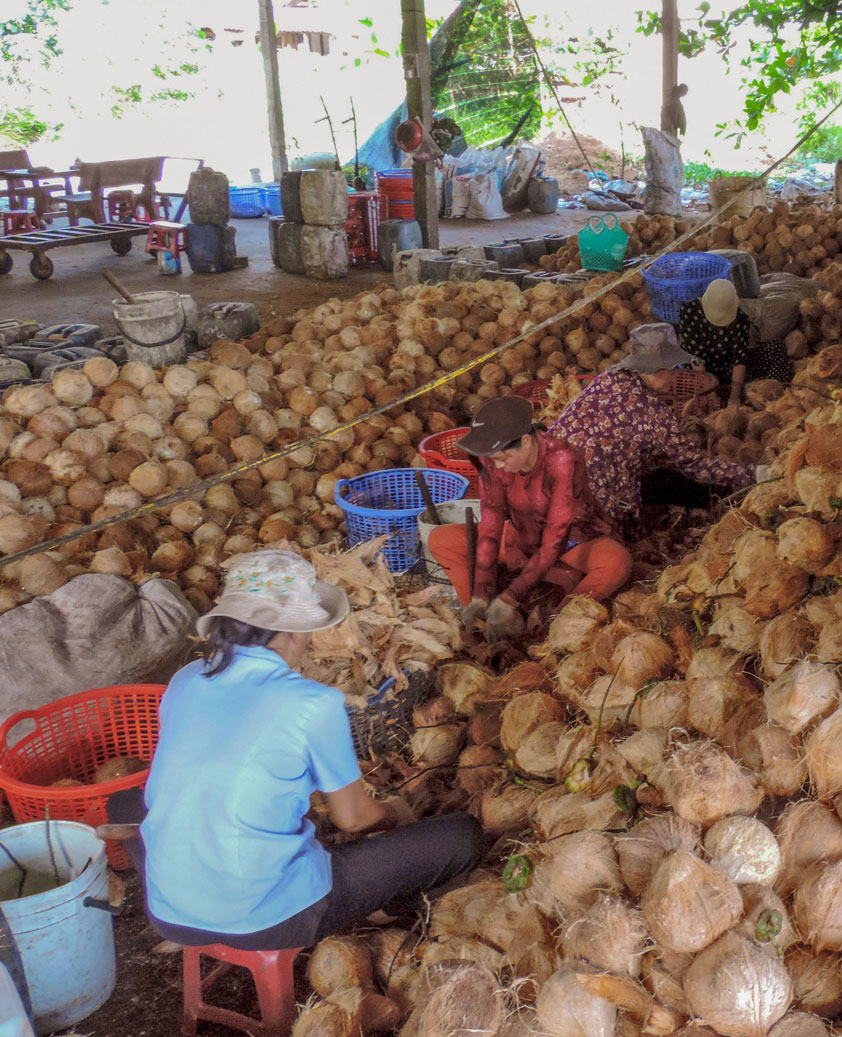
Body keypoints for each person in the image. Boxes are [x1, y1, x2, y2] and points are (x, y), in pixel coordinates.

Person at [113, 549, 483, 951]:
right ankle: (387, 909)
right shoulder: (313, 703)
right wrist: (396, 810)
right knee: (463, 836)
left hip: (170, 915)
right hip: (272, 919)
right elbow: (354, 820)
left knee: (123, 802)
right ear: (292, 632)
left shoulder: (185, 680)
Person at [427, 396, 632, 637]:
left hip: (574, 539)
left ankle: (559, 625)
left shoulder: (564, 462)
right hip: (520, 534)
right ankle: (474, 622)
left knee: (617, 562)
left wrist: (509, 599)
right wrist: (480, 596)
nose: (499, 467)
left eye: (504, 459)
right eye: (494, 460)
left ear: (525, 441)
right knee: (441, 539)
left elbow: (554, 538)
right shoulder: (493, 457)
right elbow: (491, 522)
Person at [551, 323, 760, 525]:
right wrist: (755, 474)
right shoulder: (652, 412)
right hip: (591, 506)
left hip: (549, 482)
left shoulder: (607, 378)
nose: (675, 375)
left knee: (658, 475)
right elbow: (695, 466)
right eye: (671, 369)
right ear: (655, 369)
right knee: (666, 483)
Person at [675, 278, 795, 405]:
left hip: (729, 369)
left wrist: (735, 396)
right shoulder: (689, 311)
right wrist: (709, 392)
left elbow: (740, 359)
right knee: (677, 372)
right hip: (700, 371)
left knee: (776, 347)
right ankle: (714, 392)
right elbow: (695, 357)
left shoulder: (741, 318)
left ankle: (771, 394)